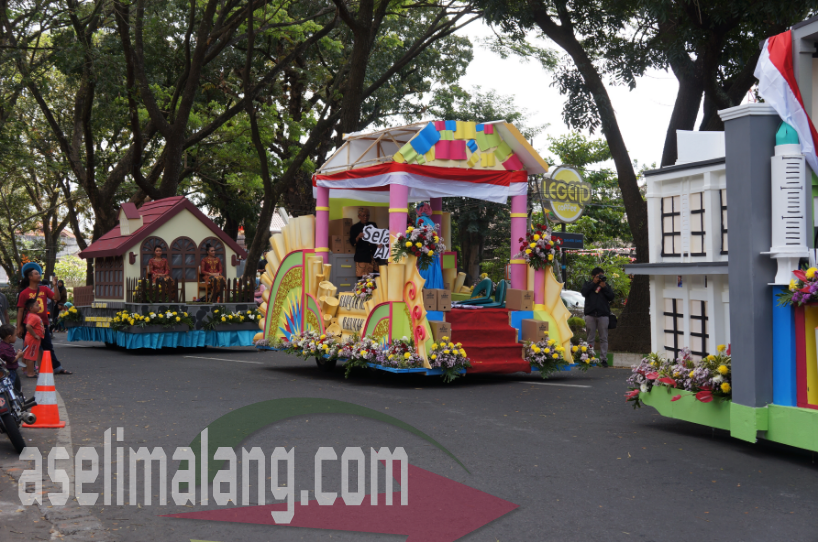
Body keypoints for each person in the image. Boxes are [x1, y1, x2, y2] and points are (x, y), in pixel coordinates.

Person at [16, 262, 72, 375]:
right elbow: (20, 311)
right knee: (30, 347)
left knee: (47, 346)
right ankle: (28, 369)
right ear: (30, 277)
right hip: (30, 324)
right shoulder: (24, 293)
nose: (39, 275)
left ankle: (57, 368)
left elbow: (57, 298)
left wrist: (55, 285)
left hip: (43, 324)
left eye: (39, 273)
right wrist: (19, 327)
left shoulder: (44, 289)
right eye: (36, 274)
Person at [580, 267, 614, 368]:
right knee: (590, 337)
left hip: (603, 315)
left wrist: (605, 288)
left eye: (601, 276)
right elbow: (583, 293)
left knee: (604, 338)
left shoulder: (605, 285)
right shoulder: (588, 284)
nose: (600, 278)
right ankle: (590, 357)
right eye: (598, 276)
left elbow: (612, 297)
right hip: (590, 314)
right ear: (593, 276)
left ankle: (603, 359)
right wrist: (593, 284)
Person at [414, 202, 444, 289]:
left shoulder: (420, 220)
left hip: (425, 249)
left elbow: (420, 235)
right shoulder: (431, 222)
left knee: (425, 270)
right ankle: (435, 292)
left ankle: (426, 292)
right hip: (433, 249)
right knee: (434, 270)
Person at [349, 208, 379, 278]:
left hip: (374, 256)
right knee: (362, 279)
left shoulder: (373, 225)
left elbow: (378, 237)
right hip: (362, 257)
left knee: (376, 279)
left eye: (367, 215)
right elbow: (352, 242)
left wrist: (380, 244)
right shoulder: (354, 227)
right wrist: (358, 237)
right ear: (359, 216)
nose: (365, 217)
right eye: (363, 215)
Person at [20, 298, 43, 378]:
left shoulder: (32, 316)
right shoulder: (34, 316)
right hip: (32, 339)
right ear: (31, 308)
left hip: (31, 339)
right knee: (31, 356)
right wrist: (35, 335)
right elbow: (28, 326)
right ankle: (30, 373)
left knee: (29, 355)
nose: (39, 306)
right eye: (36, 305)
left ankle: (29, 370)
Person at [0, 323, 24, 393]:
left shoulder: (4, 345)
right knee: (11, 388)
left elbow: (9, 356)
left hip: (9, 371)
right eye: (15, 336)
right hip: (9, 371)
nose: (16, 337)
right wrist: (18, 355)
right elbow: (12, 359)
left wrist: (16, 353)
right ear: (9, 337)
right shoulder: (5, 348)